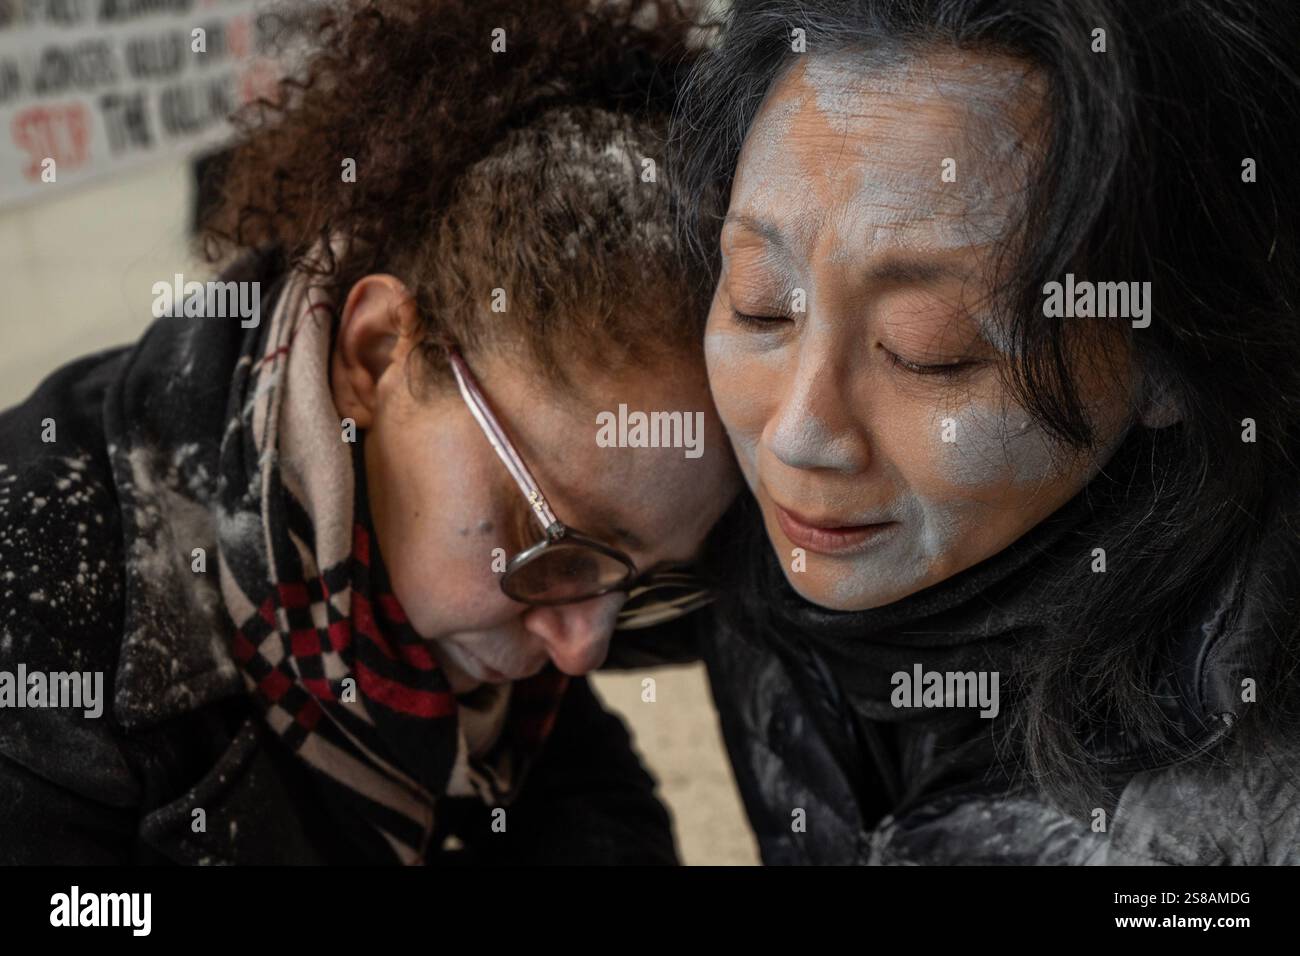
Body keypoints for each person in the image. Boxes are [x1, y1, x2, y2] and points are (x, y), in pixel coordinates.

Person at [0, 0, 737, 864]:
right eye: (554, 543)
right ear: (375, 353)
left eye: (645, 582)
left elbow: (582, 791)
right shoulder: (45, 607)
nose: (584, 653)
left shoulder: (458, 577)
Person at [672, 0, 1300, 864]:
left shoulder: (1226, 835)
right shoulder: (722, 534)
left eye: (930, 351)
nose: (797, 434)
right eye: (761, 302)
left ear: (1170, 360)